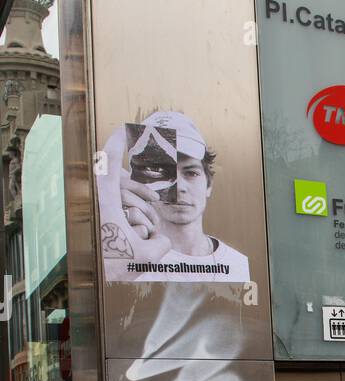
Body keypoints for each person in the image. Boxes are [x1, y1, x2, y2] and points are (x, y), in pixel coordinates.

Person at [98, 110, 250, 283]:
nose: (179, 188)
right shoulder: (125, 264)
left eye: (191, 173)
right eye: (158, 171)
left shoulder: (239, 265)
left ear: (209, 185)